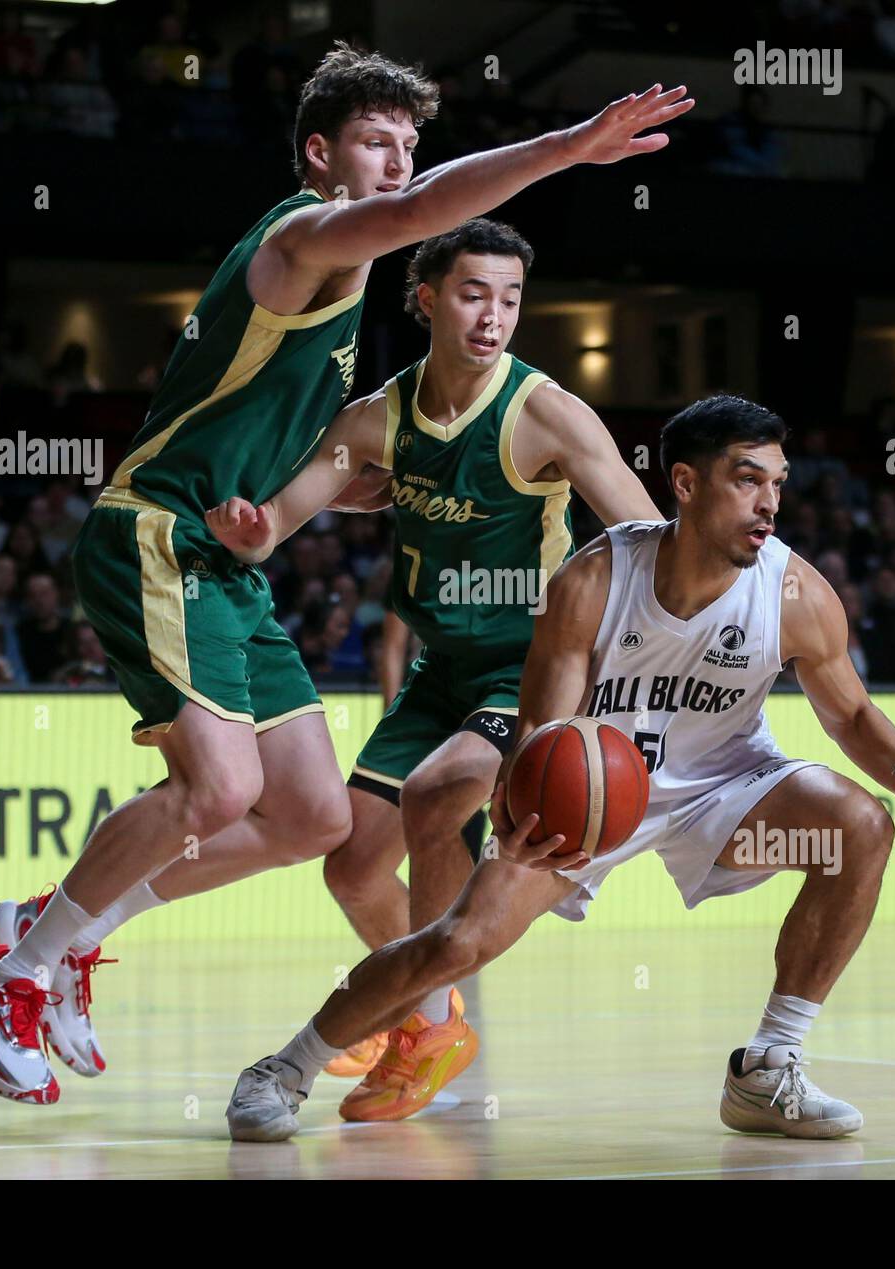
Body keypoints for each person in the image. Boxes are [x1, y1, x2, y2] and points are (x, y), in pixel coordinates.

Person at [0, 42, 694, 1105]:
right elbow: (423, 211)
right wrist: (570, 147)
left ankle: (63, 925)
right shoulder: (303, 237)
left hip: (222, 556)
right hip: (156, 530)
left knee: (311, 820)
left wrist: (304, 504)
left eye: (407, 144)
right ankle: (14, 979)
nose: (396, 163)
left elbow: (290, 481)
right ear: (320, 154)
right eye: (374, 144)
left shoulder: (367, 317)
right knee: (220, 787)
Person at [225, 395, 895, 1142]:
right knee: (458, 940)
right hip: (593, 798)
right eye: (748, 480)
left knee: (859, 826)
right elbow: (542, 727)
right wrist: (518, 807)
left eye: (778, 484)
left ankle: (767, 1066)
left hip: (723, 793)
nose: (769, 503)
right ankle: (284, 1068)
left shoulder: (795, 594)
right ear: (685, 484)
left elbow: (848, 713)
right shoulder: (592, 581)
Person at [208, 219, 662, 1104]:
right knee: (350, 864)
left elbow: (648, 541)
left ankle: (420, 1017)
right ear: (425, 299)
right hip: (440, 670)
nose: (494, 316)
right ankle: (427, 1015)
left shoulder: (549, 414)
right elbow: (283, 516)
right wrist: (249, 527)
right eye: (473, 294)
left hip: (534, 667)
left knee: (435, 792)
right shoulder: (381, 414)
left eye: (510, 298)